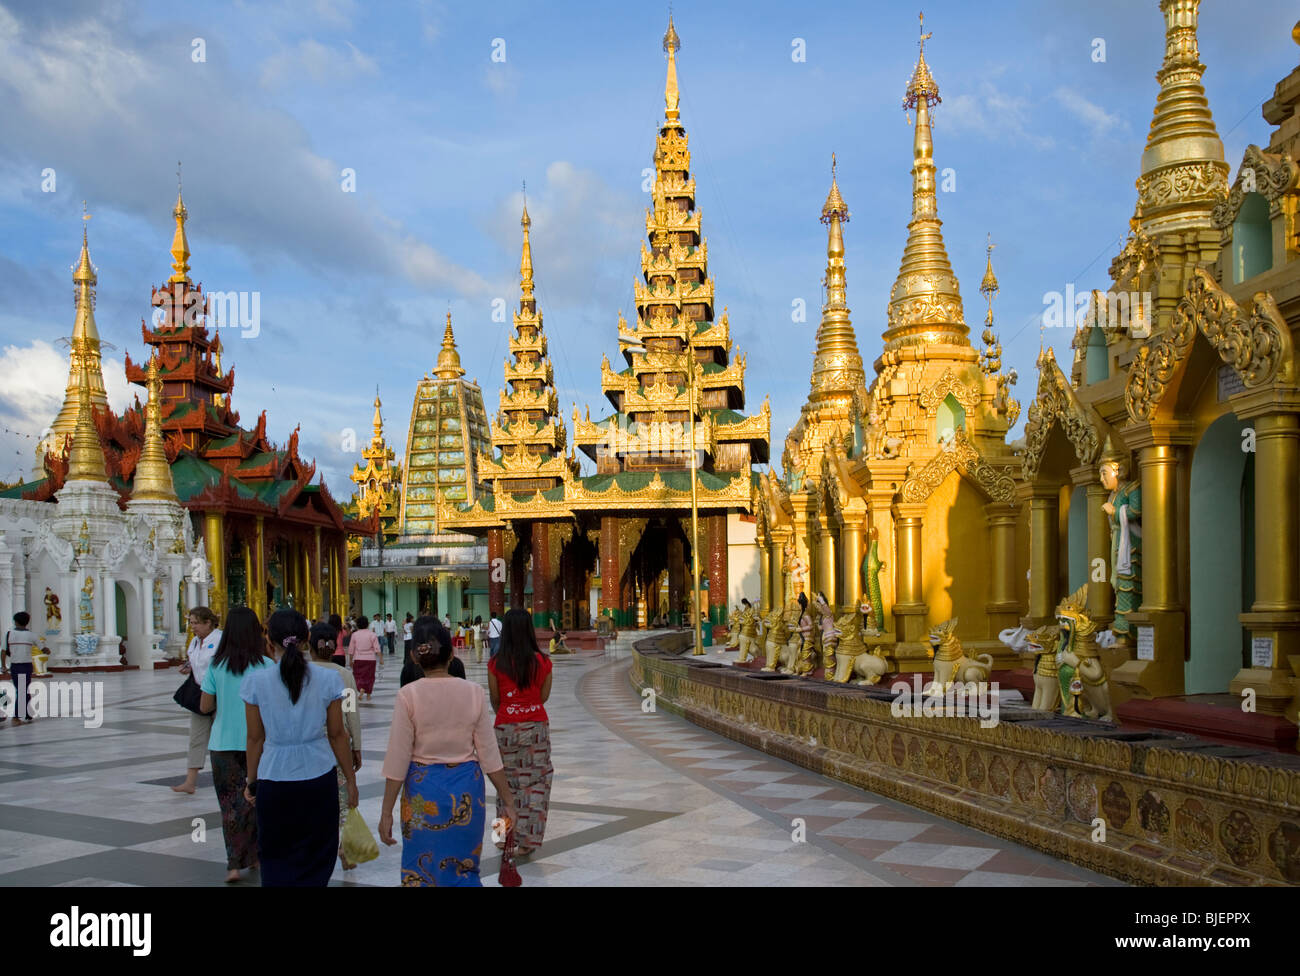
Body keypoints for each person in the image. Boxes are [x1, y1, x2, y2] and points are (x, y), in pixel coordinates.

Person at [378, 616, 516, 886]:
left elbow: (398, 758)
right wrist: (508, 799)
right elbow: (489, 754)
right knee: (464, 867)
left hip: (421, 792)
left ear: (414, 657)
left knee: (420, 867)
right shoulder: (473, 692)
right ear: (452, 654)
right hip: (466, 791)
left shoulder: (408, 695)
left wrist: (386, 812)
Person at [243, 610, 357, 887]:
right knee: (318, 852)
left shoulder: (256, 681)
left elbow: (255, 738)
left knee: (274, 852)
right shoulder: (329, 679)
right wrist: (350, 781)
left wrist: (251, 781)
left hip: (273, 777)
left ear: (269, 641)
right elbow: (337, 734)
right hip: (318, 775)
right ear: (307, 640)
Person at [199, 606, 271, 883]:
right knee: (257, 801)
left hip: (223, 744)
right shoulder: (266, 666)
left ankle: (233, 864)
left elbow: (205, 706)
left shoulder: (217, 666)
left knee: (230, 805)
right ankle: (254, 855)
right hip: (261, 744)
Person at [487, 609, 554, 856]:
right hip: (536, 726)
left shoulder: (495, 663)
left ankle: (501, 837)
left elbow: (496, 699)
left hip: (505, 728)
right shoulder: (544, 662)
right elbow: (543, 697)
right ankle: (527, 842)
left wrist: (510, 713)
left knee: (505, 784)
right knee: (536, 785)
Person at [307, 621, 362, 871]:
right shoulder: (344, 674)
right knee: (345, 794)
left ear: (310, 646)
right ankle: (345, 848)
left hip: (313, 742)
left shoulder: (303, 671)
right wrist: (356, 746)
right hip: (340, 741)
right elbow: (351, 712)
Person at [173, 606, 222, 793]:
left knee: (222, 738)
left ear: (208, 622)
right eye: (191, 623)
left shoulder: (220, 639)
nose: (192, 627)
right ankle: (190, 781)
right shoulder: (194, 641)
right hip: (199, 694)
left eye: (196, 623)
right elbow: (197, 663)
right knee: (196, 737)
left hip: (219, 694)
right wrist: (188, 666)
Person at [3, 611, 37, 725]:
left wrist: (3, 666)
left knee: (22, 690)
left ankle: (26, 712)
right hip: (26, 666)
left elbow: (3, 651)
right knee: (23, 691)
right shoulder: (32, 635)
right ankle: (16, 717)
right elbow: (44, 649)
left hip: (14, 667)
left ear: (16, 622)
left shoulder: (9, 634)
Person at [347, 614, 381, 701]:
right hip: (371, 659)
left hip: (358, 658)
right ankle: (368, 695)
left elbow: (351, 649)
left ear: (357, 625)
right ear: (367, 624)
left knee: (358, 676)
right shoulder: (372, 634)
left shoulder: (354, 635)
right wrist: (381, 659)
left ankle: (361, 688)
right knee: (370, 676)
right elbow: (377, 648)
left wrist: (350, 660)